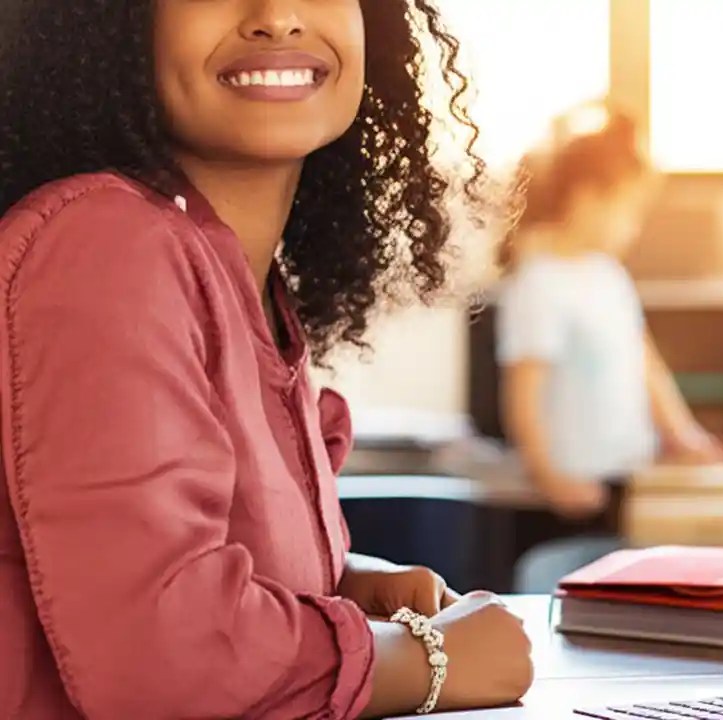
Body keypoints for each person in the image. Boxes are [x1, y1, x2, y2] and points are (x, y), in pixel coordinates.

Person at [0, 3, 532, 718]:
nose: (277, 16)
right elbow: (158, 659)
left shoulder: (232, 275)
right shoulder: (106, 248)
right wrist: (429, 659)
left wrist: (337, 589)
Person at [496, 103, 723, 526]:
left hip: (627, 473)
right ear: (587, 199)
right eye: (630, 210)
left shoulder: (610, 276)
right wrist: (549, 476)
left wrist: (685, 437)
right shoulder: (539, 283)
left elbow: (647, 366)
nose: (634, 227)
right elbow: (523, 393)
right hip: (574, 490)